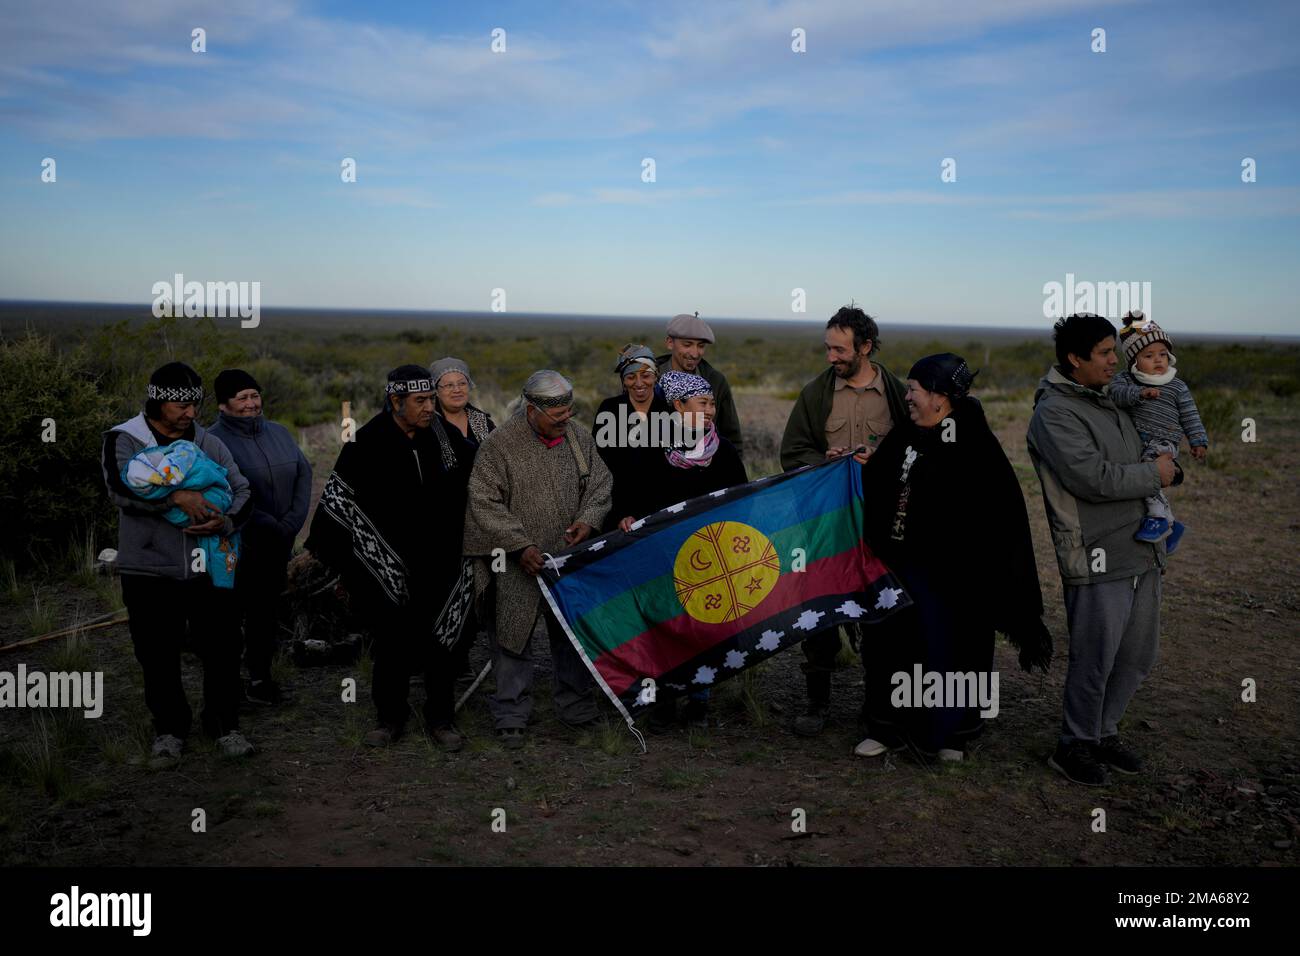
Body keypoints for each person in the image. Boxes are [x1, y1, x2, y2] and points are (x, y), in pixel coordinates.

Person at [855, 354, 1053, 761]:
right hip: (899, 569)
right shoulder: (905, 435)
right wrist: (858, 465)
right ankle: (887, 728)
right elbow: (881, 483)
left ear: (940, 396)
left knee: (949, 649)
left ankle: (949, 736)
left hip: (954, 578)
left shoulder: (974, 443)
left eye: (914, 389)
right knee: (891, 644)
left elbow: (1000, 517)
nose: (906, 396)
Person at [1027, 314, 1180, 787]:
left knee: (1136, 655)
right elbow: (1092, 479)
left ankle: (1103, 732)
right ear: (1075, 359)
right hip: (1095, 553)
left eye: (1117, 351)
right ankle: (1073, 744)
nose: (1117, 361)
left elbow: (1143, 456)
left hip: (1143, 546)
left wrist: (1168, 462)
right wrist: (1158, 474)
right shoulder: (1054, 412)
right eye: (1105, 354)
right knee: (1095, 656)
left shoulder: (1111, 400)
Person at [305, 365, 473, 751]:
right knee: (391, 643)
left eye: (431, 399)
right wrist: (339, 558)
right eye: (420, 401)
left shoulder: (445, 437)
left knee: (442, 641)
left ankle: (441, 719)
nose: (430, 407)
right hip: (384, 565)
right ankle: (389, 719)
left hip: (441, 562)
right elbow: (338, 502)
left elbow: (477, 477)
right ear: (395, 402)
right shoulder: (367, 441)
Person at [100, 362, 255, 762]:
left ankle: (224, 726)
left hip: (209, 567)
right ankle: (169, 730)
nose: (190, 414)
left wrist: (227, 520)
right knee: (156, 652)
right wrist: (175, 499)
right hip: (148, 568)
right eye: (180, 406)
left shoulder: (206, 442)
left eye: (195, 404)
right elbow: (119, 490)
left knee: (222, 646)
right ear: (157, 401)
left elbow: (241, 488)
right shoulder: (125, 438)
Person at [462, 370, 613, 749]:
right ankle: (511, 712)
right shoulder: (499, 445)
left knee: (571, 635)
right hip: (518, 562)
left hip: (566, 558)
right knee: (511, 634)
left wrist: (587, 521)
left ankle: (576, 707)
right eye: (556, 415)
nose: (565, 420)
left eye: (568, 412)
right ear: (531, 410)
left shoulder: (578, 438)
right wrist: (518, 546)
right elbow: (484, 501)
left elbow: (600, 485)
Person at [778, 305, 909, 737]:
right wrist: (824, 464)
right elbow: (792, 451)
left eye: (839, 349)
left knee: (881, 609)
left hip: (879, 521)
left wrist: (880, 463)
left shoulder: (897, 393)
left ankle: (880, 703)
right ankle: (816, 701)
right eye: (827, 348)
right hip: (827, 523)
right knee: (821, 609)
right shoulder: (816, 393)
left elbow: (913, 452)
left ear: (866, 347)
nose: (831, 357)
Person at [612, 369, 748, 731]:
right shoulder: (650, 445)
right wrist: (626, 514)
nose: (710, 410)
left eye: (713, 404)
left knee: (701, 624)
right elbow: (630, 490)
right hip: (660, 556)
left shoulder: (724, 452)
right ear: (677, 405)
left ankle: (698, 700)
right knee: (663, 625)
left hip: (708, 557)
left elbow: (740, 499)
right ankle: (662, 702)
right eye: (702, 403)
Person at [207, 368, 312, 706]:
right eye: (242, 398)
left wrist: (293, 521)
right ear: (223, 405)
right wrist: (267, 523)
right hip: (237, 543)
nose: (251, 403)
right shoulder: (211, 441)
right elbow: (224, 491)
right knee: (228, 614)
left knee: (265, 612)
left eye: (255, 396)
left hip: (278, 541)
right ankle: (227, 684)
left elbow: (303, 472)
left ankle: (260, 678)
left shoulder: (279, 432)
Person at [1108, 312, 1207, 554]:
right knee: (1141, 474)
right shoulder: (1127, 380)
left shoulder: (1176, 386)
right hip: (1137, 440)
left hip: (1164, 441)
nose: (1159, 361)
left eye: (1163, 354)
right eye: (1149, 356)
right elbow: (1115, 394)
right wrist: (1139, 394)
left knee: (1149, 472)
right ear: (1133, 360)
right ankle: (1172, 526)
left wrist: (1198, 440)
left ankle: (1158, 519)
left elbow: (1190, 414)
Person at [592, 343, 674, 531]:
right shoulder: (610, 410)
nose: (638, 383)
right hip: (618, 514)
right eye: (630, 377)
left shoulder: (670, 410)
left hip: (662, 513)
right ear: (623, 380)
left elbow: (676, 470)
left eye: (645, 375)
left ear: (655, 376)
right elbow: (600, 467)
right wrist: (620, 514)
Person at [655, 312, 743, 457]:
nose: (695, 353)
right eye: (687, 345)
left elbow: (731, 435)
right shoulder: (648, 380)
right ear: (670, 343)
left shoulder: (715, 381)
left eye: (701, 346)